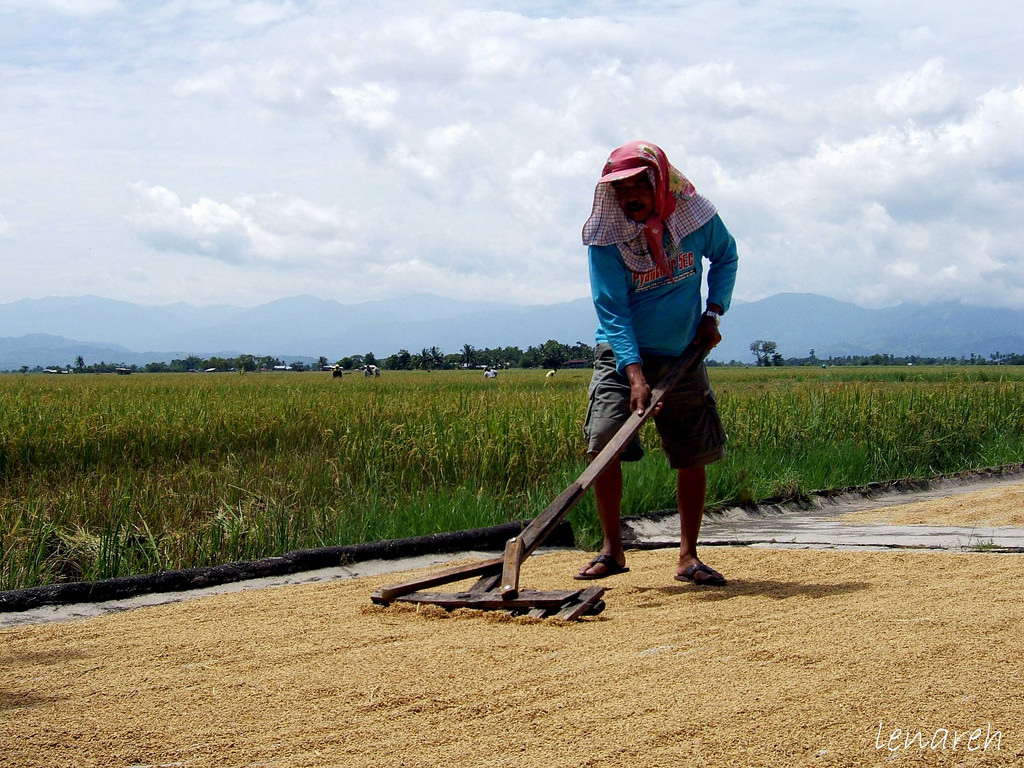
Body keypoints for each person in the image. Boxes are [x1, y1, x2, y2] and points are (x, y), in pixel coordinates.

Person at [576, 140, 738, 586]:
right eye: (620, 188)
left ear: (659, 182)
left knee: (692, 452)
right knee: (602, 443)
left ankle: (688, 556)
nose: (630, 195)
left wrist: (713, 313)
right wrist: (634, 374)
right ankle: (612, 549)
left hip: (683, 350)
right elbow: (612, 309)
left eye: (638, 185)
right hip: (621, 352)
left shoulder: (696, 218)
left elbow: (726, 256)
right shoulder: (608, 238)